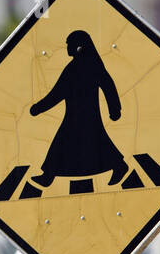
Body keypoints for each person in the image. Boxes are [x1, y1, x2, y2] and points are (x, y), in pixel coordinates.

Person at [29, 29, 127, 186]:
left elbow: (108, 86)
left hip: (85, 116)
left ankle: (48, 176)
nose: (67, 47)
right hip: (76, 115)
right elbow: (58, 92)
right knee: (95, 142)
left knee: (63, 143)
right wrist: (39, 108)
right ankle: (119, 166)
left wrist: (115, 109)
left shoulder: (85, 65)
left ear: (79, 46)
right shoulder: (77, 66)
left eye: (69, 44)